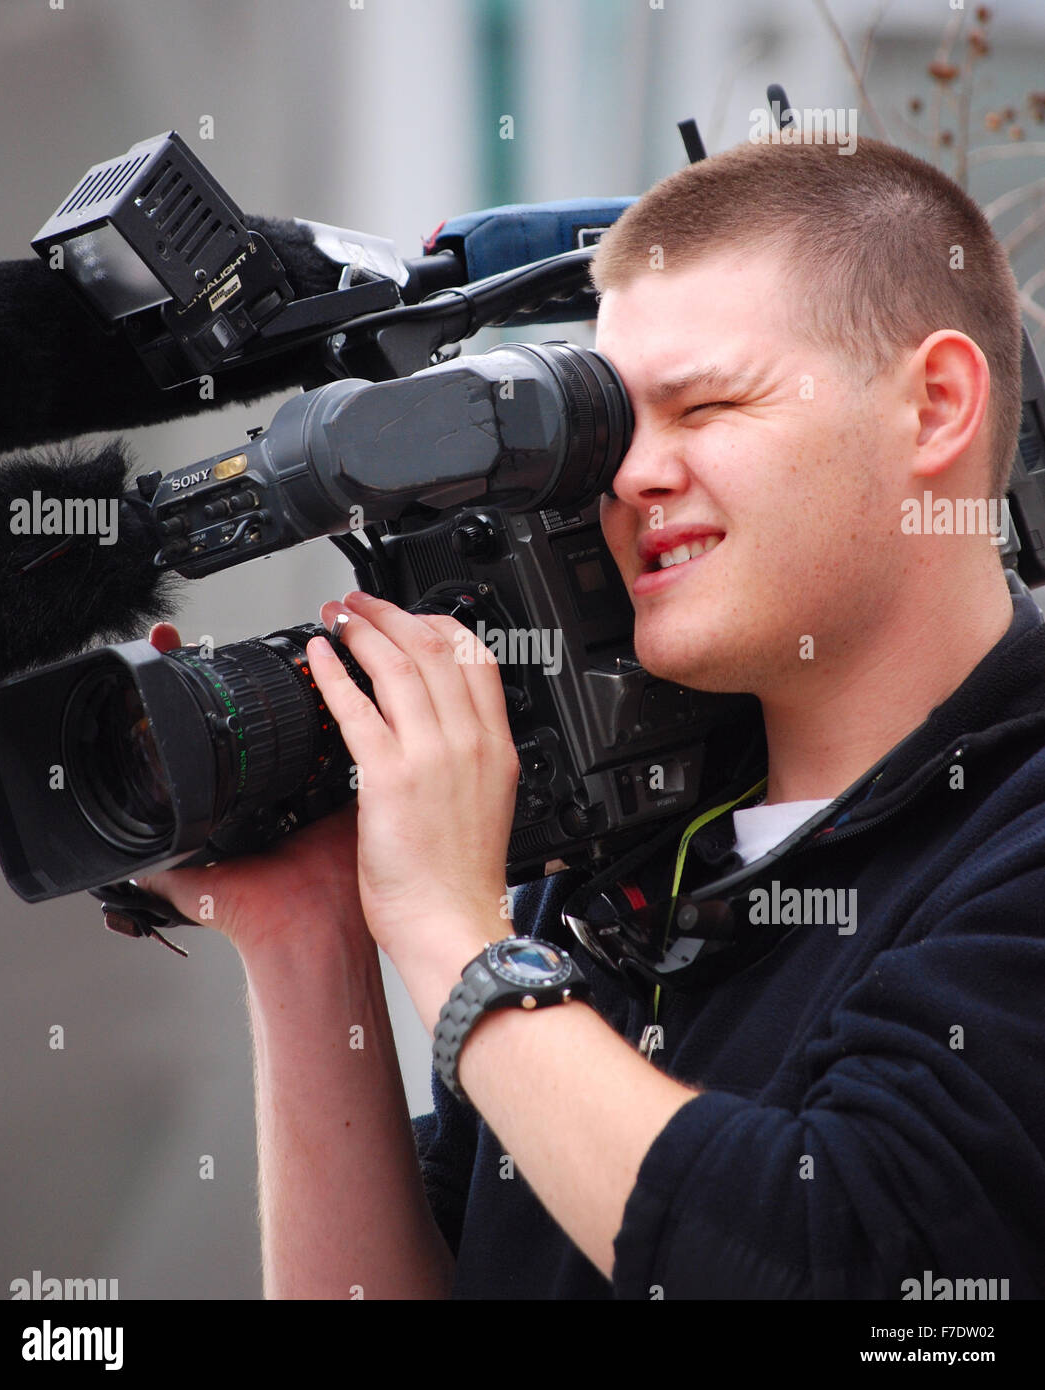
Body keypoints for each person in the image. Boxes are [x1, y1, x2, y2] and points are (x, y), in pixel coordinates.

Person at [140, 135, 1045, 1299]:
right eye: (615, 430)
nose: (630, 478)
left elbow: (851, 1267)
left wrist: (456, 942)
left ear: (934, 407)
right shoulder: (613, 875)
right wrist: (311, 939)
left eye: (707, 404)